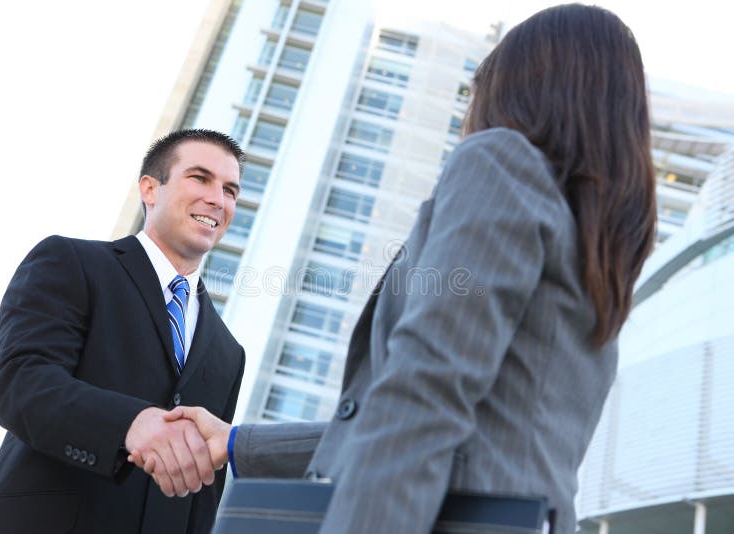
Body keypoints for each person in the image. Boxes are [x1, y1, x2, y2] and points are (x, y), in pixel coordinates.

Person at [133, 4, 657, 534]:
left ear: (518, 87)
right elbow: (474, 430)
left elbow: (425, 392)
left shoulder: (499, 162)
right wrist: (235, 442)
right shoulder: (598, 259)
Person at [0, 129, 247, 534]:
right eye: (200, 178)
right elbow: (19, 382)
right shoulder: (72, 261)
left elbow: (203, 489)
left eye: (230, 190)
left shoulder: (228, 353)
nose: (218, 199)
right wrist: (129, 423)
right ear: (150, 188)